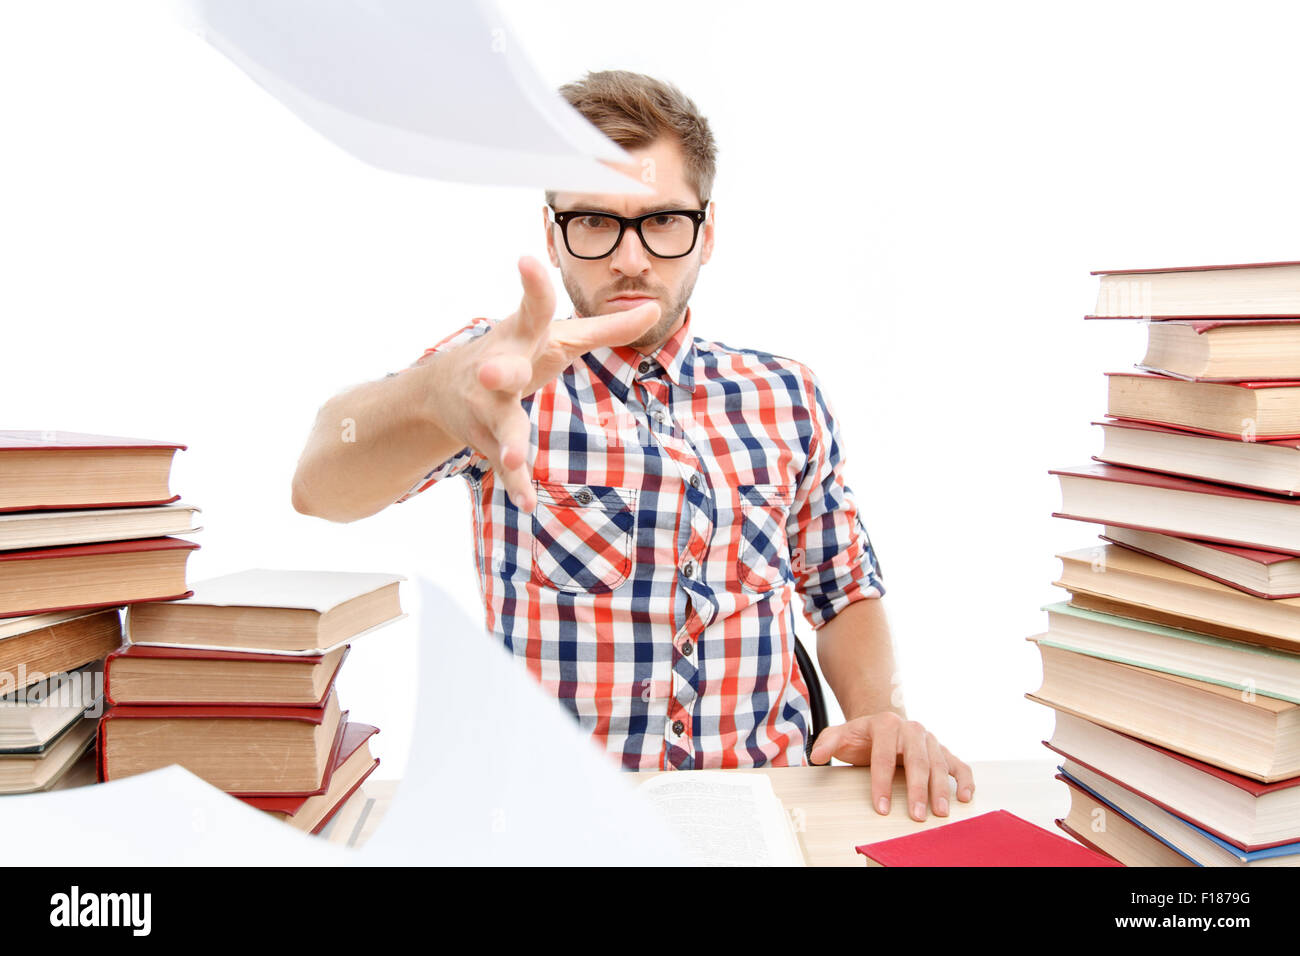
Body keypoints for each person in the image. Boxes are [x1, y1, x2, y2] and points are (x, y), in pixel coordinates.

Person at [292, 69, 974, 821]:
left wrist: (879, 715)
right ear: (553, 236)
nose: (630, 259)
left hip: (772, 811)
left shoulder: (788, 395)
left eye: (662, 221)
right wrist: (430, 396)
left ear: (706, 232)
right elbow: (318, 487)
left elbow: (842, 592)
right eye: (594, 223)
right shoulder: (492, 378)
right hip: (564, 820)